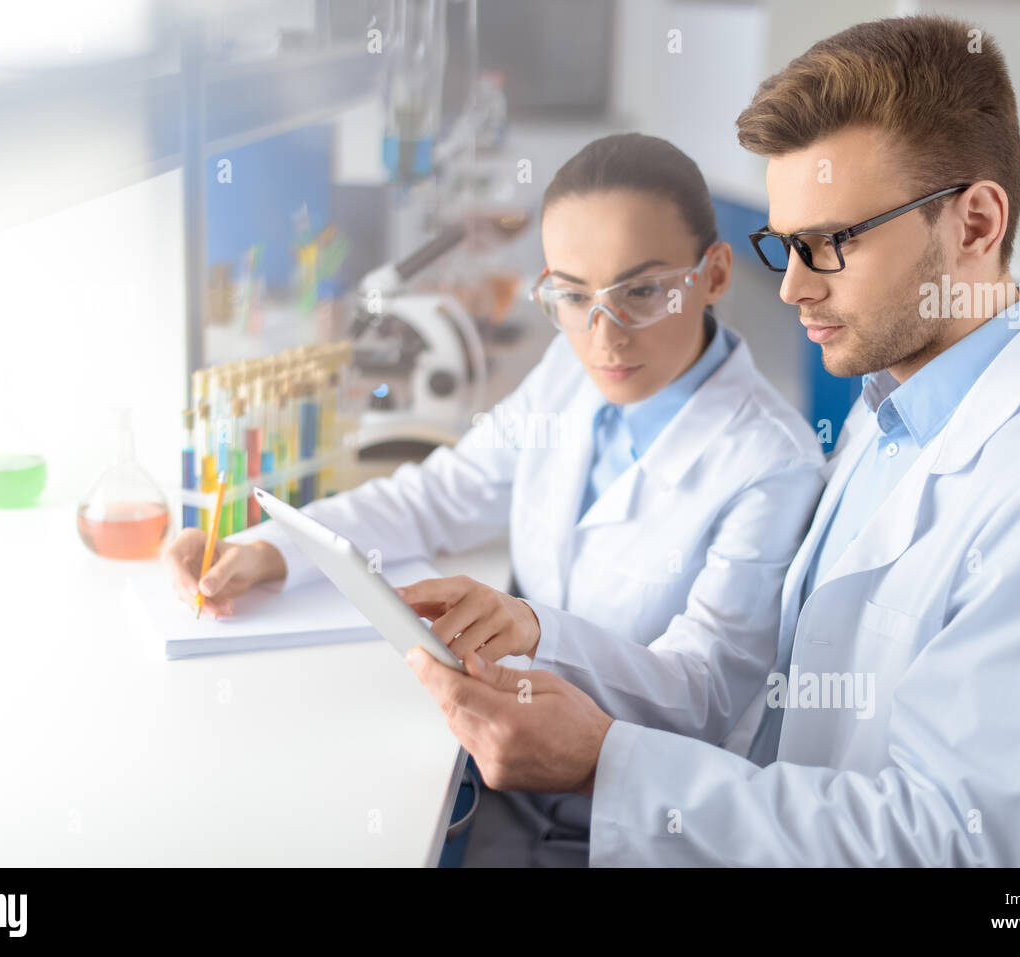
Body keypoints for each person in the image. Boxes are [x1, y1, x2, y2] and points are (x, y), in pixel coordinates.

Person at [403, 14, 1020, 866]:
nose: (794, 288)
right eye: (785, 245)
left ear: (976, 224)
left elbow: (940, 843)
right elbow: (765, 690)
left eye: (832, 244)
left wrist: (604, 762)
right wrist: (542, 637)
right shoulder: (893, 409)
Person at [161, 133, 826, 865]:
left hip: (636, 831)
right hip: (513, 787)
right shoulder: (571, 374)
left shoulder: (771, 463)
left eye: (640, 290)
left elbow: (701, 696)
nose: (602, 334)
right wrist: (271, 549)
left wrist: (537, 629)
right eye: (571, 295)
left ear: (716, 272)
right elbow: (441, 495)